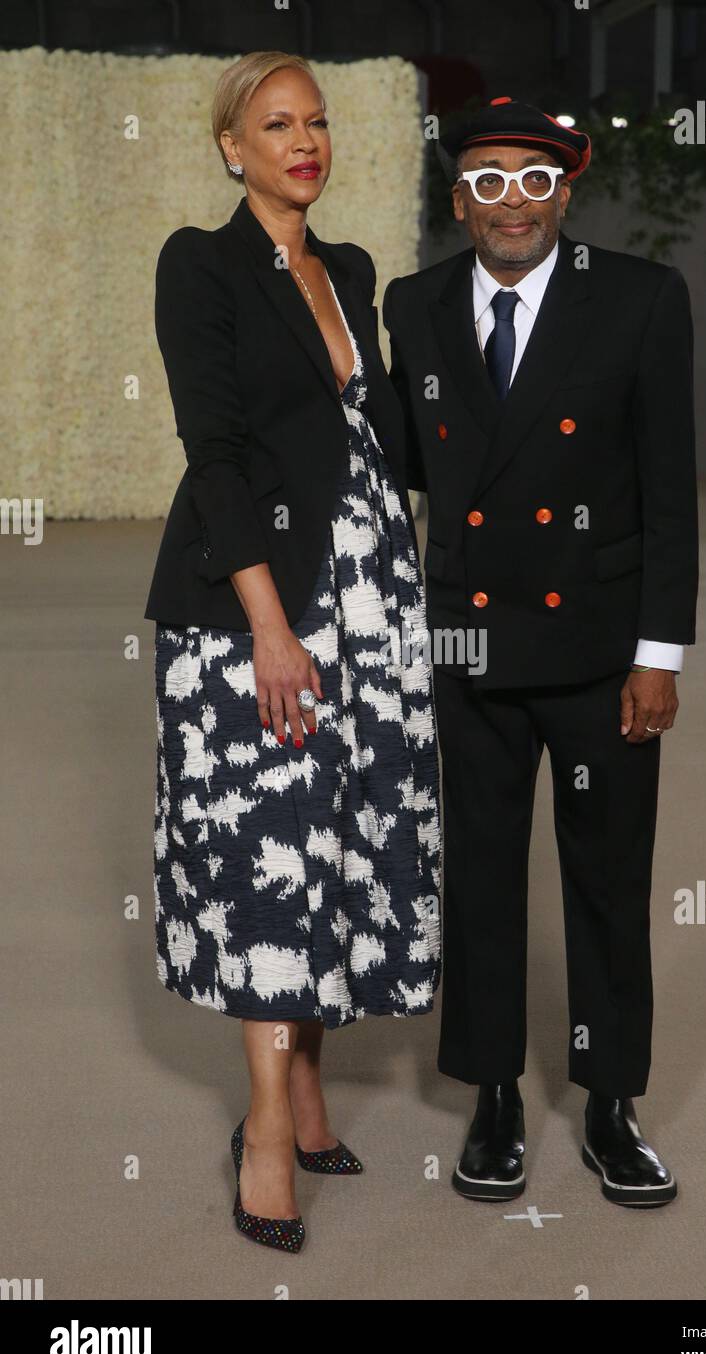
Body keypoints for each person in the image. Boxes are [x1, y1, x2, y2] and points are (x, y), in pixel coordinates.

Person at [145, 50, 441, 1252]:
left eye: (316, 122)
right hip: (253, 610)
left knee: (341, 838)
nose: (304, 141)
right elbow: (214, 450)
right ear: (233, 147)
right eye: (277, 124)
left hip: (372, 596)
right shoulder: (198, 263)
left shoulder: (352, 266)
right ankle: (266, 1127)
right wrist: (268, 626)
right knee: (268, 852)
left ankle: (309, 1089)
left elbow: (373, 437)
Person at [383, 98, 698, 1207]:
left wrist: (656, 655)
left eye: (530, 179)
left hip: (598, 648)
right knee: (476, 873)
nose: (508, 201)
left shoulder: (639, 298)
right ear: (457, 198)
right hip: (464, 638)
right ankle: (493, 1095)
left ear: (564, 192)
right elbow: (400, 465)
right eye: (484, 178)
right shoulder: (412, 304)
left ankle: (610, 1102)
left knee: (607, 879)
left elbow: (667, 493)